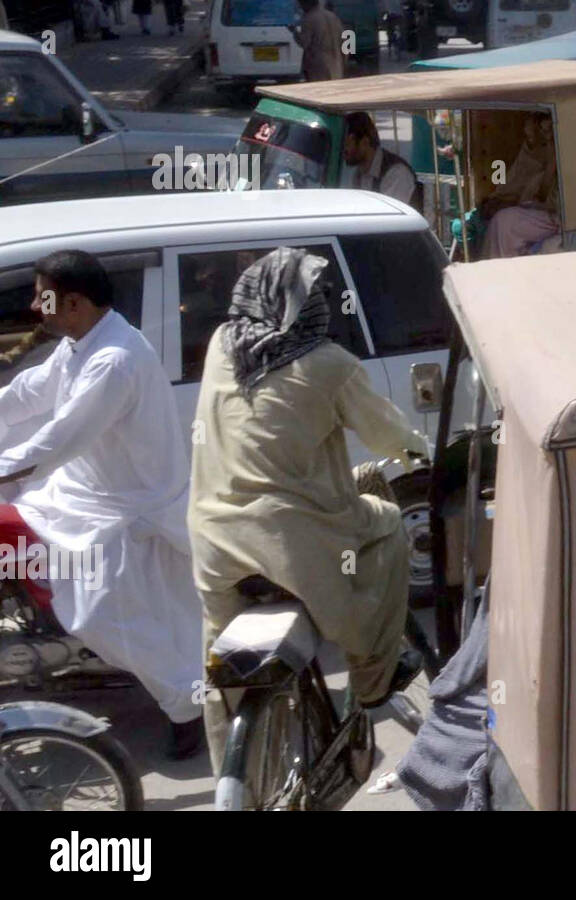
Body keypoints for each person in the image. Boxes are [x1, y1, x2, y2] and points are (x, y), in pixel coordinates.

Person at [188, 247, 427, 774]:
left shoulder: (221, 348)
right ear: (306, 306)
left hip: (213, 542)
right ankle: (372, 677)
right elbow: (389, 435)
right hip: (292, 542)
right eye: (317, 295)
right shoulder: (329, 364)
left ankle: (235, 784)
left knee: (220, 674)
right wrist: (421, 451)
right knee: (387, 528)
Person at [0, 251, 204, 759]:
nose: (33, 304)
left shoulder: (115, 359)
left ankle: (189, 708)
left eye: (41, 294)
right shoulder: (81, 343)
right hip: (79, 492)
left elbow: (56, 440)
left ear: (72, 302)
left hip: (120, 512)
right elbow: (29, 392)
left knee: (109, 618)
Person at [480, 113, 561, 258]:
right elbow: (523, 185)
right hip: (541, 211)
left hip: (558, 217)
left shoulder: (559, 151)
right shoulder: (535, 161)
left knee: (504, 222)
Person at [341, 111, 418, 207]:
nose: (343, 150)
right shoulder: (358, 175)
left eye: (347, 144)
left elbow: (389, 218)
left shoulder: (396, 173)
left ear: (364, 142)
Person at [291, 0, 344, 82]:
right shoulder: (332, 16)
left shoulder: (309, 19)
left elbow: (304, 43)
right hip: (336, 64)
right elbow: (345, 40)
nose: (299, 8)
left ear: (304, 4)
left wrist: (294, 32)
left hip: (318, 66)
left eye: (299, 4)